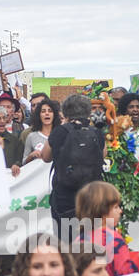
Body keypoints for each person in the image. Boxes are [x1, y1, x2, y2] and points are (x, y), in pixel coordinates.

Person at [73, 180, 139, 276]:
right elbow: (125, 274)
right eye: (116, 207)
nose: (120, 211)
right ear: (102, 211)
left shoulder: (79, 239)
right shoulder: (113, 239)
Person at [42, 94, 104, 233]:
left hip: (64, 197)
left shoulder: (59, 131)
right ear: (88, 111)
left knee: (66, 241)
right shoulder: (97, 132)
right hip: (92, 195)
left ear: (65, 112)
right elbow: (103, 155)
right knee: (91, 240)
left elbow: (45, 156)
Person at [22, 98, 59, 164]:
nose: (47, 113)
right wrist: (31, 156)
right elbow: (23, 162)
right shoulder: (31, 136)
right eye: (43, 111)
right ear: (39, 115)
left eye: (50, 111)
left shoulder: (60, 135)